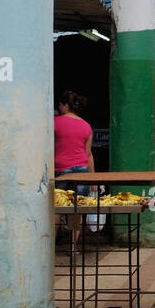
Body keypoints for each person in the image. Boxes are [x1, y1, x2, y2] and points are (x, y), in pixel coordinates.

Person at [54, 90, 96, 236]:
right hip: (82, 171)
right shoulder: (86, 126)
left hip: (61, 171)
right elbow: (88, 154)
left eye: (60, 105)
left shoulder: (54, 122)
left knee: (57, 208)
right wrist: (93, 179)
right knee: (76, 209)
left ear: (65, 105)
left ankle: (51, 246)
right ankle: (73, 248)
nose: (59, 108)